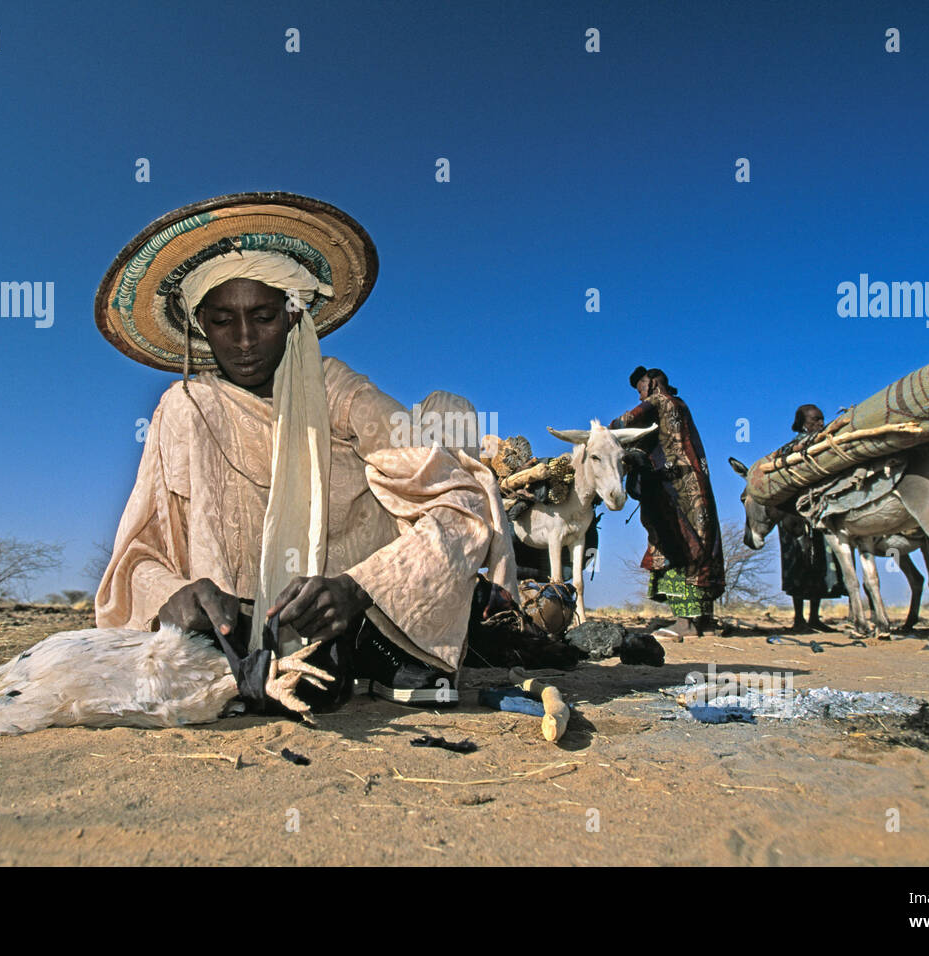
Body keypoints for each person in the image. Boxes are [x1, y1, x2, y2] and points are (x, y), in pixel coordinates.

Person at [93, 193, 516, 715]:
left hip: (357, 610)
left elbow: (459, 500)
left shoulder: (337, 390)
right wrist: (172, 598)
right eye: (223, 320)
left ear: (294, 316)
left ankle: (381, 643)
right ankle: (248, 653)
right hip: (237, 632)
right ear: (200, 324)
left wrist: (360, 590)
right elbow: (138, 557)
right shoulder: (183, 410)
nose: (245, 340)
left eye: (264, 316)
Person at [612, 366, 724, 640]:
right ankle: (704, 622)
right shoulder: (681, 405)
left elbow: (622, 424)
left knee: (677, 544)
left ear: (650, 383)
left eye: (640, 388)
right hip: (697, 486)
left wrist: (596, 435)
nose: (639, 395)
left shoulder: (657, 401)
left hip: (672, 489)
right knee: (702, 546)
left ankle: (684, 624)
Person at [776, 404, 845, 632]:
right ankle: (798, 619)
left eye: (822, 419)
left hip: (818, 515)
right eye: (815, 420)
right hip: (794, 518)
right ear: (803, 422)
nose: (820, 423)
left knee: (820, 564)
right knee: (798, 563)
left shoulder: (825, 445)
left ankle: (814, 618)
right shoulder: (791, 450)